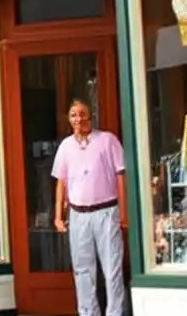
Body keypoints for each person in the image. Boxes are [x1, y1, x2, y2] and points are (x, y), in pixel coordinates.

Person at [52, 98, 126, 316]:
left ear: (90, 115)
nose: (78, 119)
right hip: (78, 214)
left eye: (82, 114)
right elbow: (61, 182)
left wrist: (125, 211)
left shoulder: (107, 140)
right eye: (74, 115)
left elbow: (121, 176)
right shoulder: (65, 146)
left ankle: (115, 313)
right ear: (69, 119)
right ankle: (88, 312)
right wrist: (59, 216)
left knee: (112, 268)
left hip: (106, 210)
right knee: (82, 270)